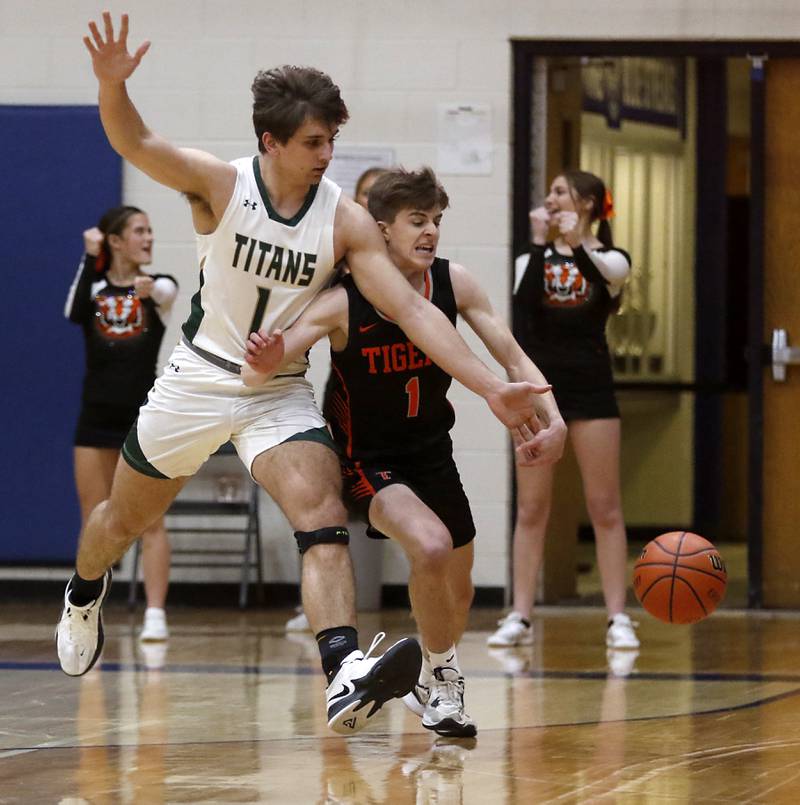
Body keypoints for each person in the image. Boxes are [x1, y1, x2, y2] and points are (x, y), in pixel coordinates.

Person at [57, 13, 550, 737]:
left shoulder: (345, 221)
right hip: (198, 378)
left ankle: (343, 669)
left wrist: (490, 387)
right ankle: (82, 589)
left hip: (277, 391)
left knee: (320, 511)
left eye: (332, 140)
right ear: (272, 141)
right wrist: (110, 87)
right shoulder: (220, 186)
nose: (327, 155)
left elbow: (414, 310)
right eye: (315, 142)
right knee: (119, 520)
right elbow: (136, 141)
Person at [242, 167, 566, 737]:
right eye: (417, 221)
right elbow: (276, 353)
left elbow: (513, 356)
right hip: (365, 459)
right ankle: (443, 684)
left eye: (436, 220)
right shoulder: (345, 301)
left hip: (431, 452)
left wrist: (554, 416)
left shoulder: (454, 283)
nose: (430, 232)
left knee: (456, 588)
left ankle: (433, 676)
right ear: (380, 229)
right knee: (431, 544)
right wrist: (267, 350)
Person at [487, 170, 640, 651]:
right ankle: (520, 615)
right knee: (532, 506)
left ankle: (617, 617)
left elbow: (604, 281)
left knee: (605, 506)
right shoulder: (532, 257)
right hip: (539, 390)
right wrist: (540, 241)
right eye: (548, 192)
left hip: (592, 388)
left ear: (589, 203)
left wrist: (575, 243)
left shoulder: (612, 259)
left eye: (560, 192)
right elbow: (522, 304)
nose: (549, 199)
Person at [65, 206, 176, 643]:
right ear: (115, 241)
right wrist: (88, 257)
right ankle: (86, 613)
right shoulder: (93, 287)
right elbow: (72, 311)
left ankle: (155, 614)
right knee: (95, 517)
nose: (148, 238)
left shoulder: (158, 286)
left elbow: (166, 292)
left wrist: (147, 291)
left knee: (151, 521)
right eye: (139, 231)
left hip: (141, 421)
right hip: (95, 416)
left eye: (150, 230)